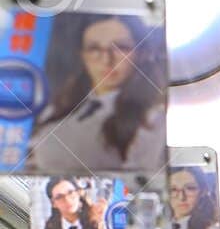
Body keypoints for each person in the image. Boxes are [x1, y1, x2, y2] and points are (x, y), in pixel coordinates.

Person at [29, 14, 166, 171]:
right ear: (83, 56)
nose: (106, 59)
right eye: (94, 48)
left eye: (121, 47)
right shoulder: (58, 108)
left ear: (141, 53)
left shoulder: (152, 118)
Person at [35, 177, 105, 229]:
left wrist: (101, 227)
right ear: (53, 203)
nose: (67, 200)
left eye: (70, 192)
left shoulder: (96, 220)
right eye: (59, 197)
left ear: (78, 193)